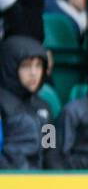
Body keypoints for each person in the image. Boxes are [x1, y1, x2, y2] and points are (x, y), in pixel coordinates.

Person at [0, 33, 54, 168]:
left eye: (39, 65)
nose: (34, 73)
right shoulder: (2, 105)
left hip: (38, 184)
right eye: (26, 66)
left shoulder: (45, 107)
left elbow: (50, 148)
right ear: (10, 67)